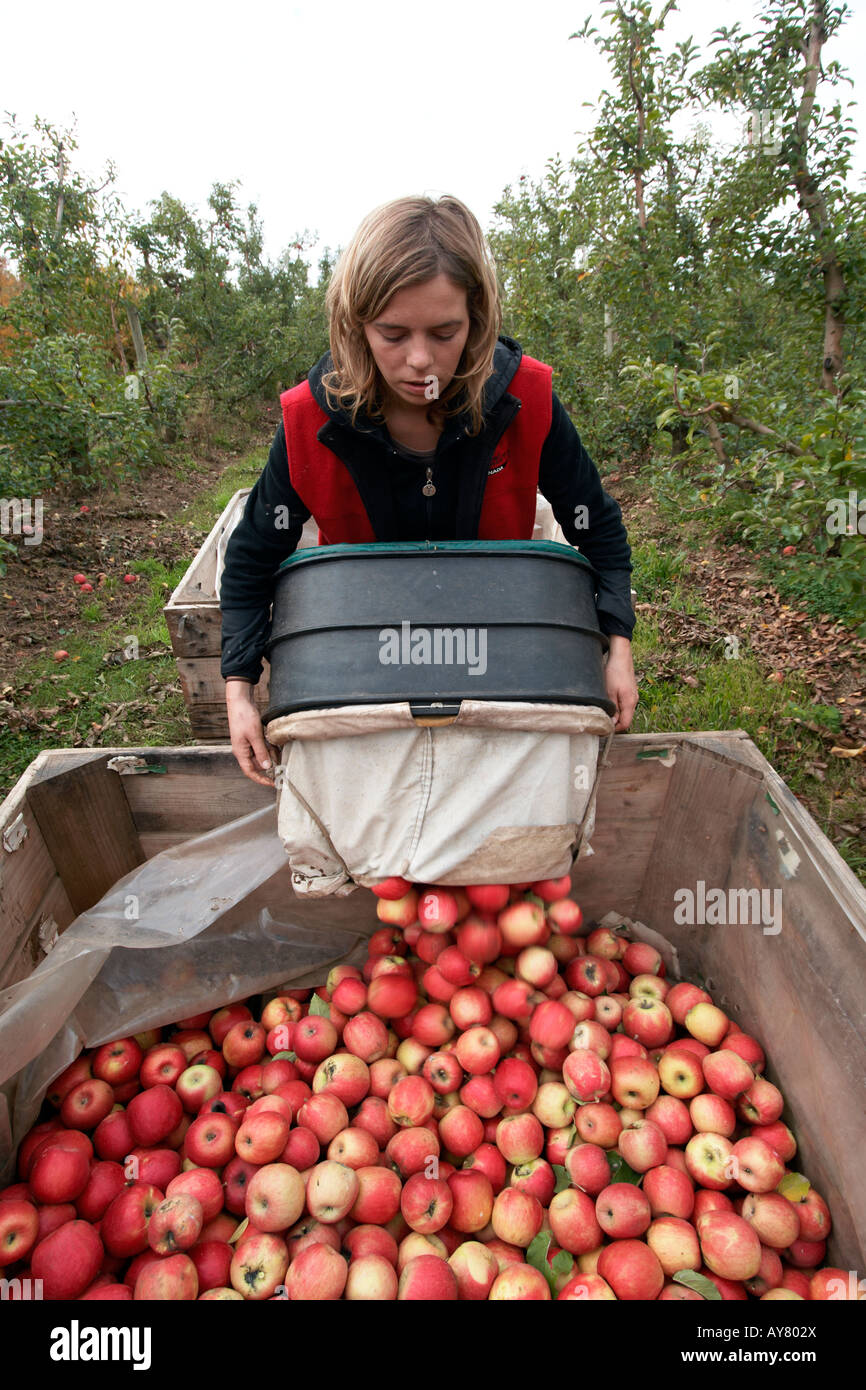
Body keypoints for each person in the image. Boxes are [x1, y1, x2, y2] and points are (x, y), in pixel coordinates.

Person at [220, 194, 638, 786]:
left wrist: (617, 647)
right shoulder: (310, 424)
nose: (420, 360)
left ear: (477, 319)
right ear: (355, 325)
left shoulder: (524, 402)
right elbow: (253, 558)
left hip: (499, 641)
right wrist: (239, 688)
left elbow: (597, 525)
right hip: (365, 648)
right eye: (392, 334)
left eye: (446, 332)